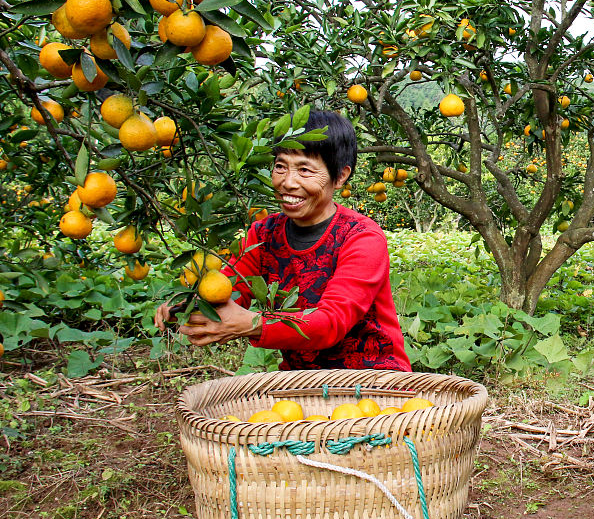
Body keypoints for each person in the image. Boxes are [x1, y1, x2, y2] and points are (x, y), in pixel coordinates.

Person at [154, 110, 411, 372]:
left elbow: (331, 323)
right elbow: (228, 290)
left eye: (304, 170)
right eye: (280, 166)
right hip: (300, 384)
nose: (288, 182)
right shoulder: (263, 234)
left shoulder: (362, 237)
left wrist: (252, 324)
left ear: (340, 176)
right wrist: (188, 308)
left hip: (374, 382)